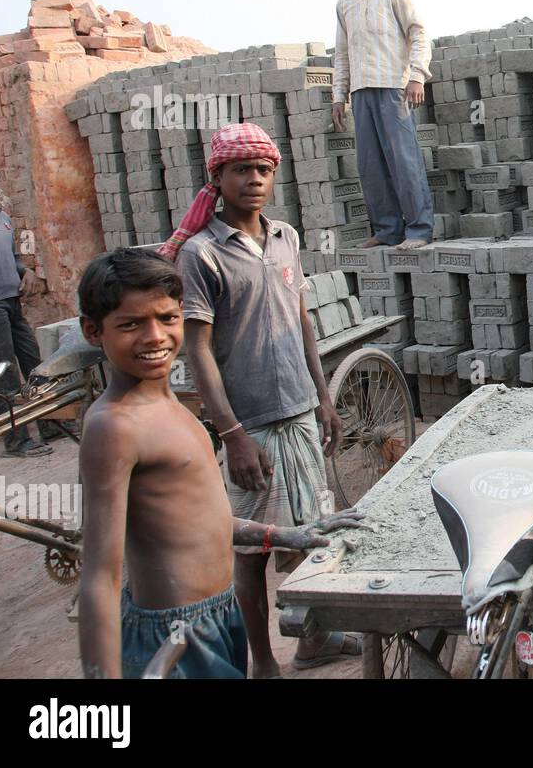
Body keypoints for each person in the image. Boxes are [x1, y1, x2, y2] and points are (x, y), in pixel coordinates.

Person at [76, 248, 364, 679]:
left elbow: (198, 519)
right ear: (92, 330)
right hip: (172, 636)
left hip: (218, 615)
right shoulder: (113, 427)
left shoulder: (168, 402)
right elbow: (99, 575)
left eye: (167, 318)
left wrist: (286, 534)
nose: (155, 336)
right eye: (131, 324)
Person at [158, 123, 355, 677]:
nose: (254, 179)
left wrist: (324, 398)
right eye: (241, 170)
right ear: (216, 178)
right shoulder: (202, 255)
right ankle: (263, 659)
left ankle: (314, 640)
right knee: (251, 554)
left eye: (263, 170)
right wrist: (232, 434)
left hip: (299, 415)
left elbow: (301, 322)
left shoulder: (286, 237)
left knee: (314, 535)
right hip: (253, 427)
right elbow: (196, 349)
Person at [331, 0, 435, 251]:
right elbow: (342, 53)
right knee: (371, 165)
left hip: (394, 89)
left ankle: (419, 229)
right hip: (361, 93)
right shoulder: (345, 3)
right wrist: (339, 95)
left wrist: (417, 77)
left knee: (404, 161)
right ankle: (388, 230)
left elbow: (418, 36)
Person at [0, 157, 56, 457]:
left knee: (33, 362)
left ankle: (51, 423)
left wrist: (28, 272)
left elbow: (13, 257)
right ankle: (16, 440)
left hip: (12, 301)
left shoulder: (2, 216)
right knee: (5, 372)